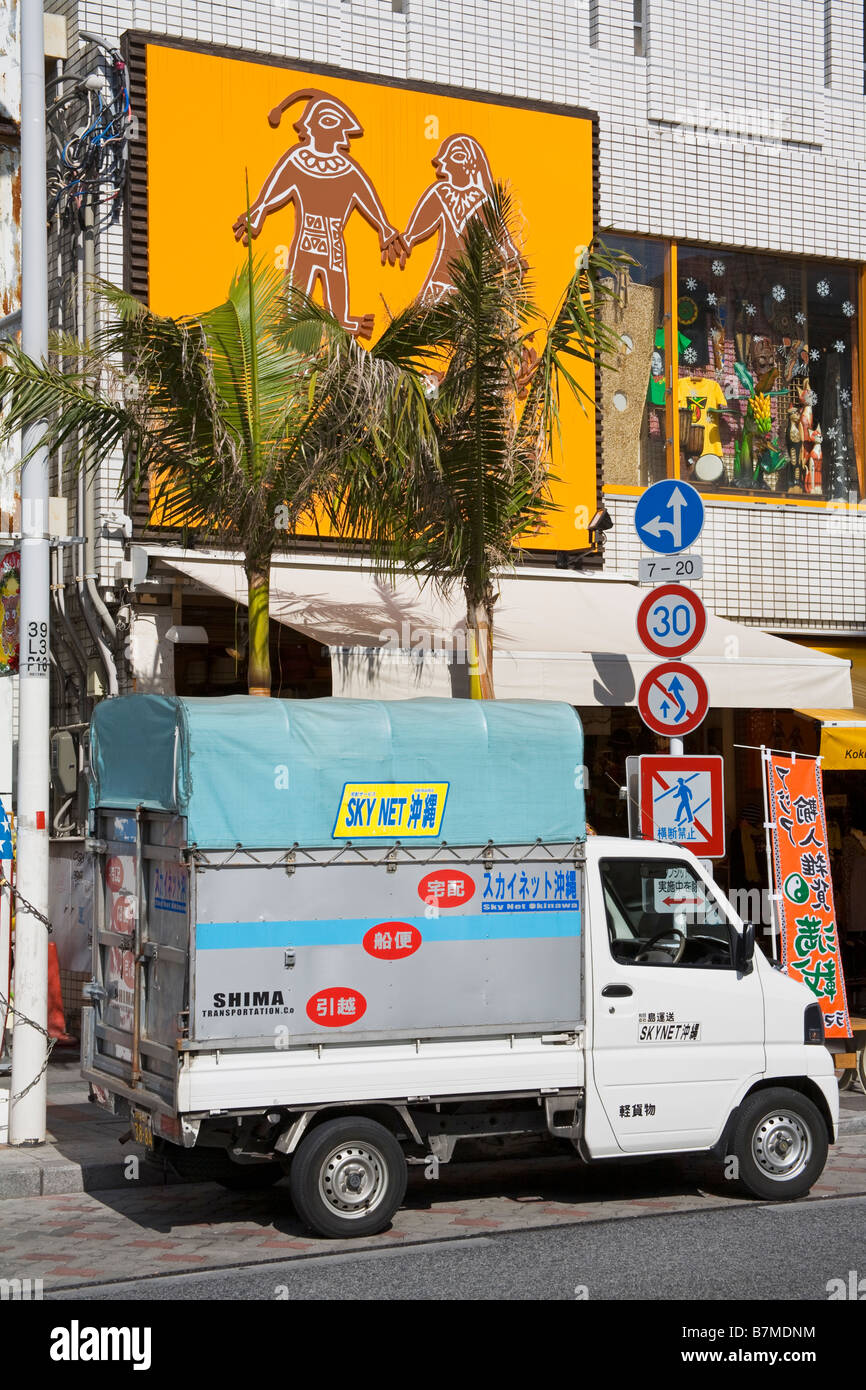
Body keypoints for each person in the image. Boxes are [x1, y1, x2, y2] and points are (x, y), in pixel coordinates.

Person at [233, 88, 409, 338]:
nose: (331, 130)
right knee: (297, 294)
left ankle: (343, 323)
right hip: (306, 238)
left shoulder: (348, 169)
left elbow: (368, 197)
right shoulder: (298, 159)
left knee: (336, 287)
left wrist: (384, 227)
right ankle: (293, 331)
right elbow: (273, 191)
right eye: (325, 122)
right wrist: (258, 211)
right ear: (310, 126)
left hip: (334, 242)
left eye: (335, 124)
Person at [401, 133, 525, 304]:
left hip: (470, 289)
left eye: (460, 157)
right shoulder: (441, 193)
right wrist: (406, 240)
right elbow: (419, 226)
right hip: (441, 282)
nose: (456, 163)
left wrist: (513, 259)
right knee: (427, 318)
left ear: (472, 164)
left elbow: (499, 236)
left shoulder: (482, 200)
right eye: (453, 157)